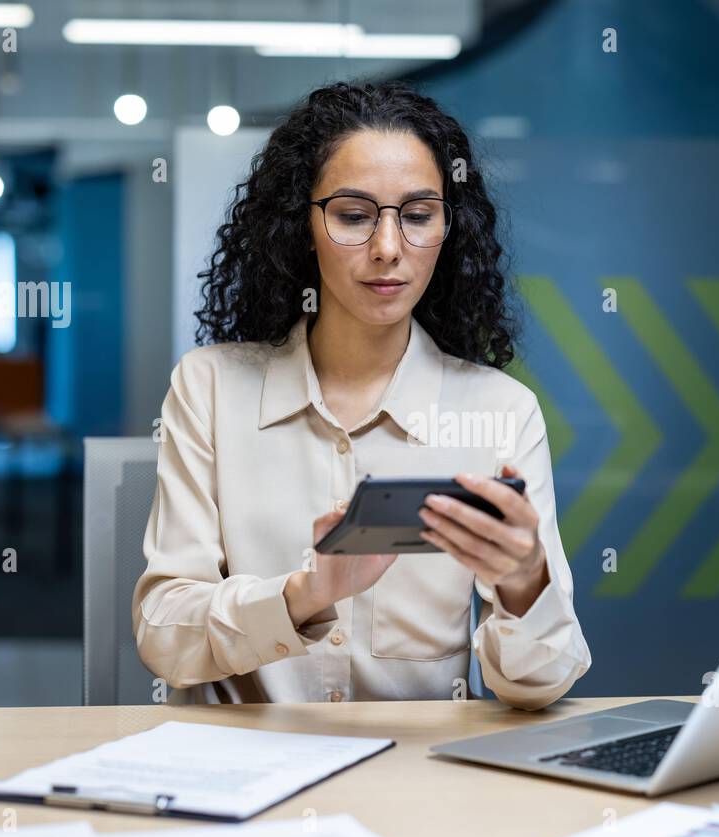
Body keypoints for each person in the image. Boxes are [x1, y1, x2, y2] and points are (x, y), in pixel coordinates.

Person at [132, 80, 590, 710]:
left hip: (414, 784)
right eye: (353, 215)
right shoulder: (210, 387)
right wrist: (304, 595)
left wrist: (523, 581)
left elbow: (540, 686)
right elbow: (164, 634)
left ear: (447, 230)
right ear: (303, 226)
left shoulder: (500, 412)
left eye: (419, 215)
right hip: (244, 780)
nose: (388, 248)